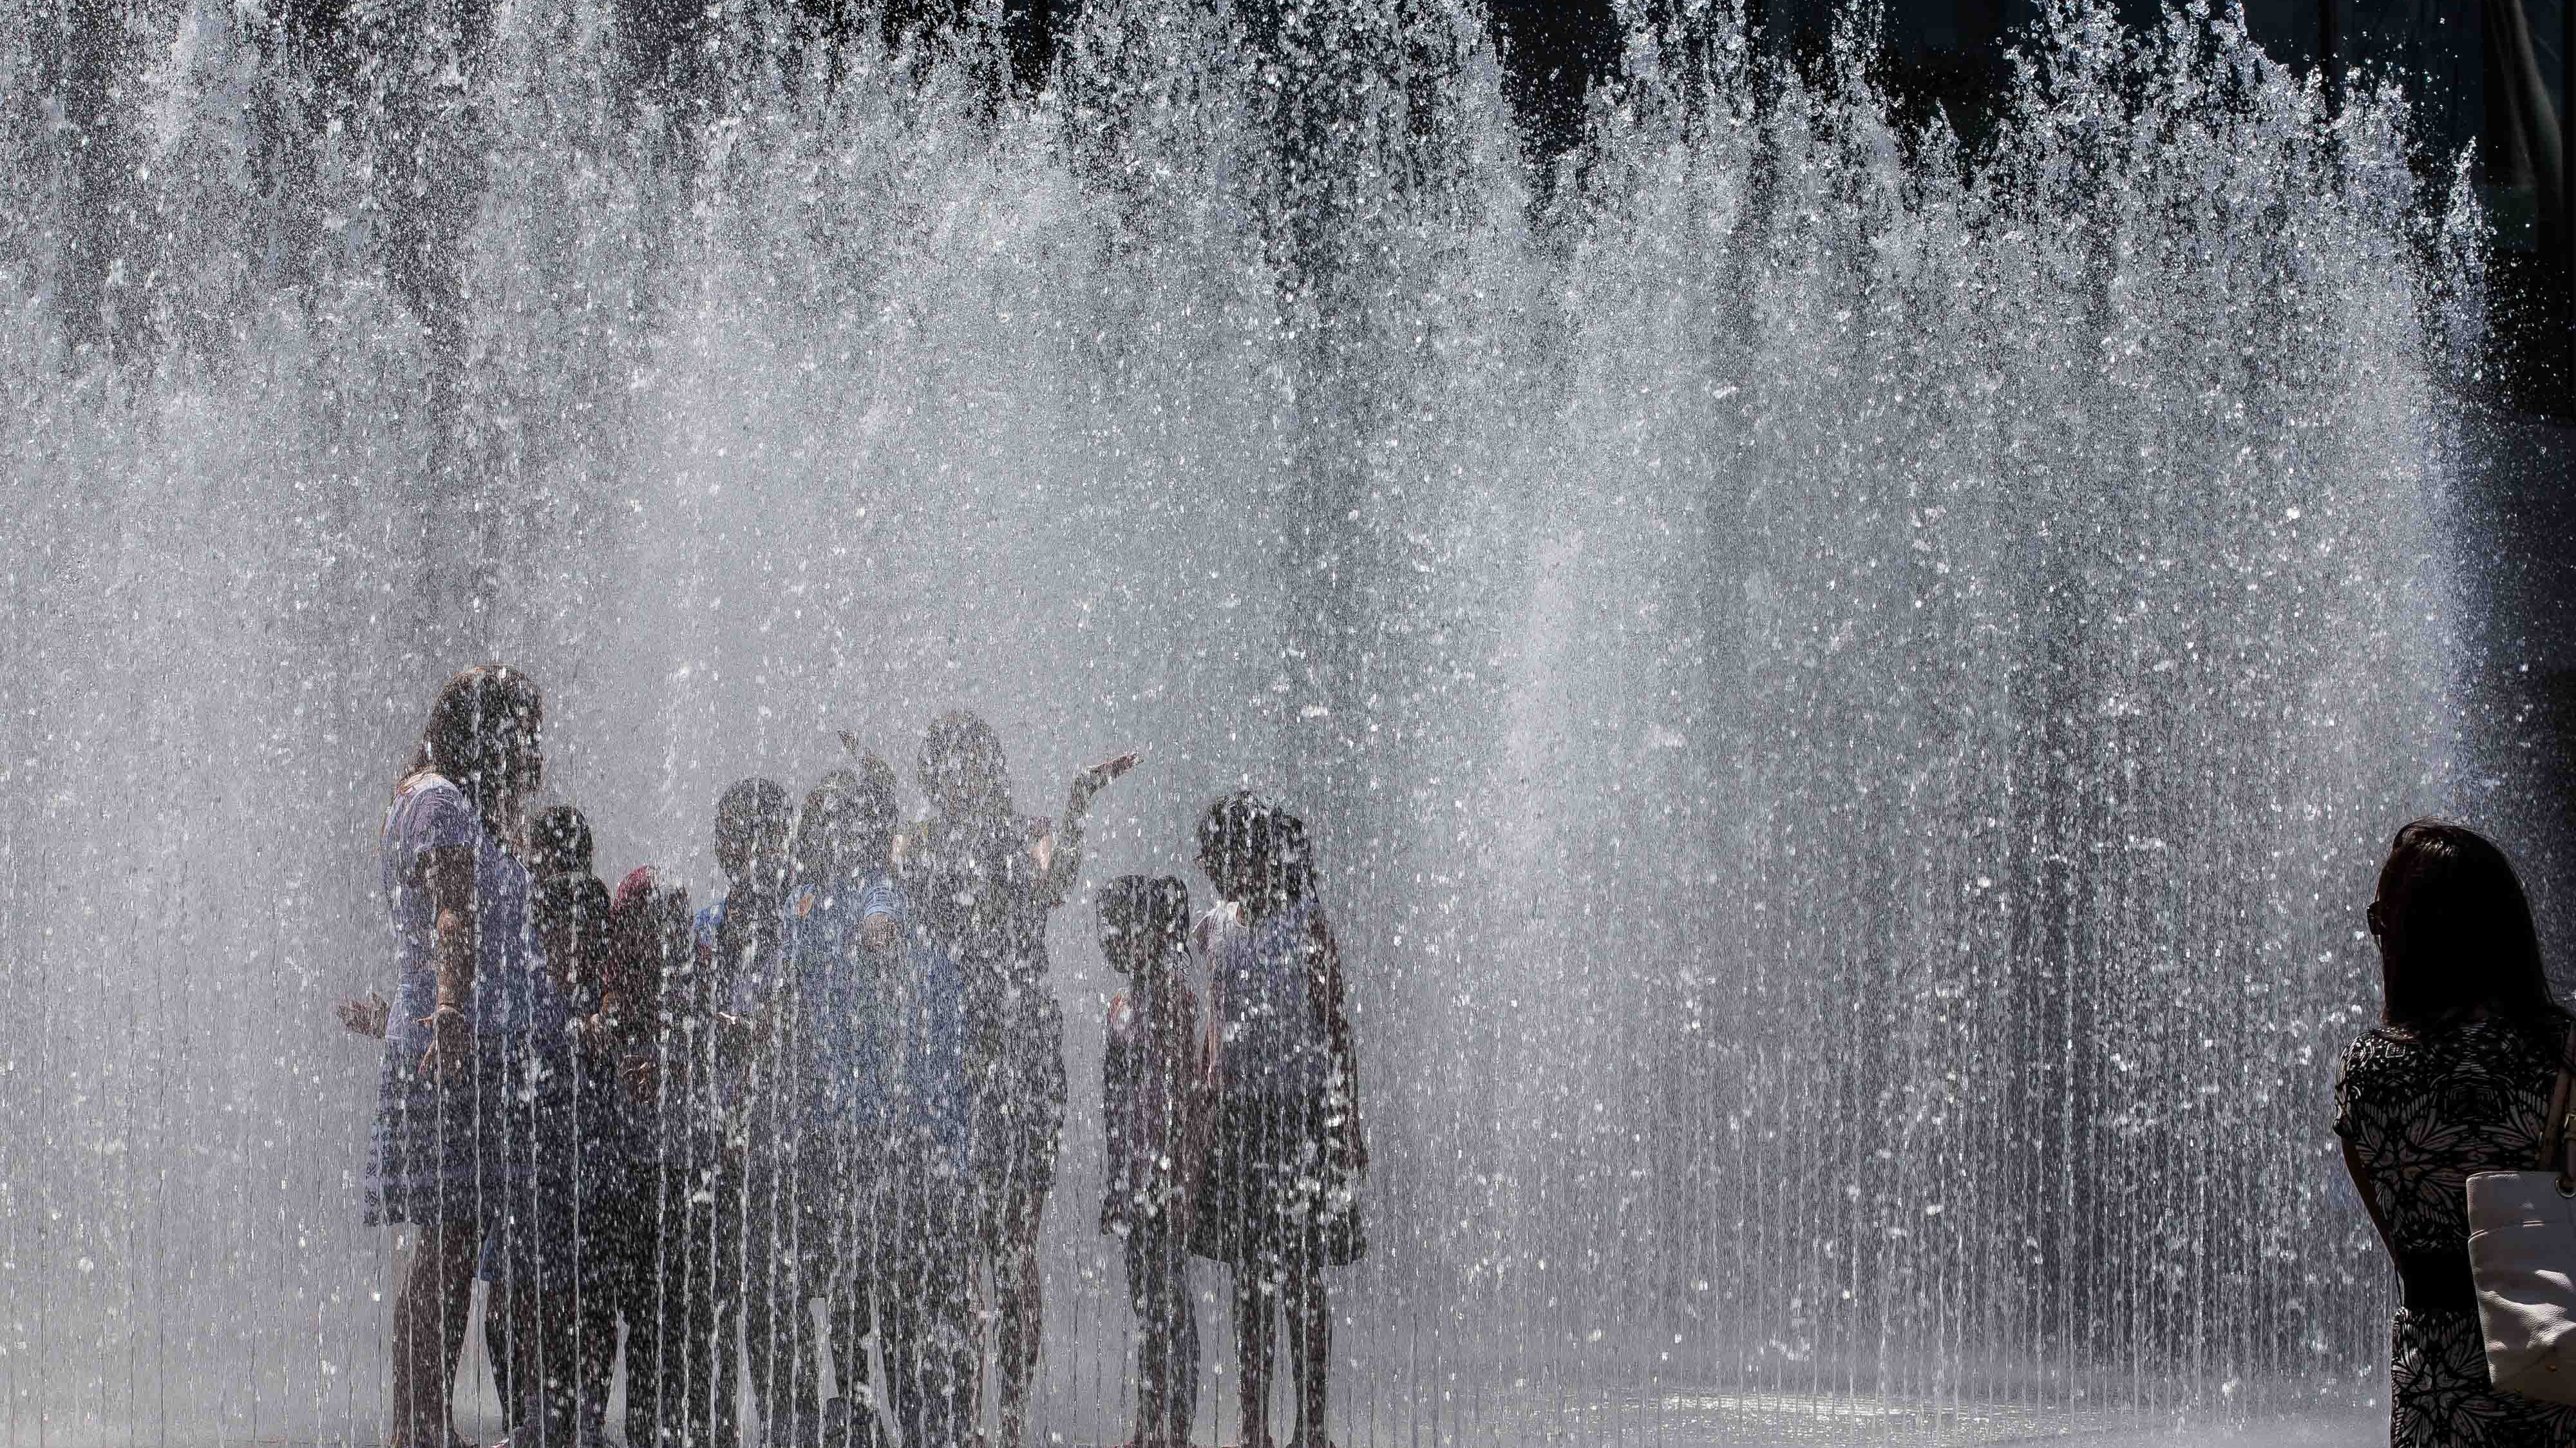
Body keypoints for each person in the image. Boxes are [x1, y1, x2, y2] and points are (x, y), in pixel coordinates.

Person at [895, 711, 1133, 1448]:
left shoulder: (1024, 828)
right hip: (949, 1056)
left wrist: (1076, 802)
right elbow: (892, 881)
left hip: (1023, 1054)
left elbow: (1054, 882)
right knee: (962, 1248)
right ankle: (967, 1418)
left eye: (973, 759)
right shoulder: (920, 839)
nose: (962, 772)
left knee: (1013, 1244)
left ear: (989, 766)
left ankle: (1011, 1419)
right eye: (949, 761)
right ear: (935, 772)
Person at [362, 663, 565, 1448]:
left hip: (456, 1043)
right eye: (524, 734)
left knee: (447, 1241)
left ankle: (422, 1425)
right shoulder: (442, 802)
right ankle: (416, 1429)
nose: (532, 750)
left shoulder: (428, 798)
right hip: (457, 1050)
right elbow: (451, 911)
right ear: (493, 730)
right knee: (446, 1244)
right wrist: (447, 1010)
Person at [2336, 819, 2576, 1448]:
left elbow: (2403, 1247)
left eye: (2379, 923)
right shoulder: (2565, 1056)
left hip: (2438, 1400)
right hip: (2559, 1389)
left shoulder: (2369, 1071)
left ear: (2408, 939)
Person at [1191, 793, 1365, 1448]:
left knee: (1300, 1276)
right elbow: (1214, 1027)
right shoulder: (1214, 926)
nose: (1208, 863)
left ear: (1254, 853)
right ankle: (1253, 1429)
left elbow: (1335, 1028)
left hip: (1300, 1115)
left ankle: (1313, 1429)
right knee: (1248, 1280)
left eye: (1217, 851)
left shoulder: (1306, 922)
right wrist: (1206, 1111)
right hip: (1242, 1118)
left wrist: (1347, 1125)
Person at [1098, 875, 1206, 1448]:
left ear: (1153, 933)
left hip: (1161, 1171)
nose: (1111, 940)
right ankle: (1150, 1424)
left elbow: (1184, 1093)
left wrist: (1180, 1174)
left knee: (1168, 1307)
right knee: (1148, 1306)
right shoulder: (1127, 999)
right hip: (1133, 1171)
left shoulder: (1170, 994)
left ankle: (1174, 1430)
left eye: (1122, 928)